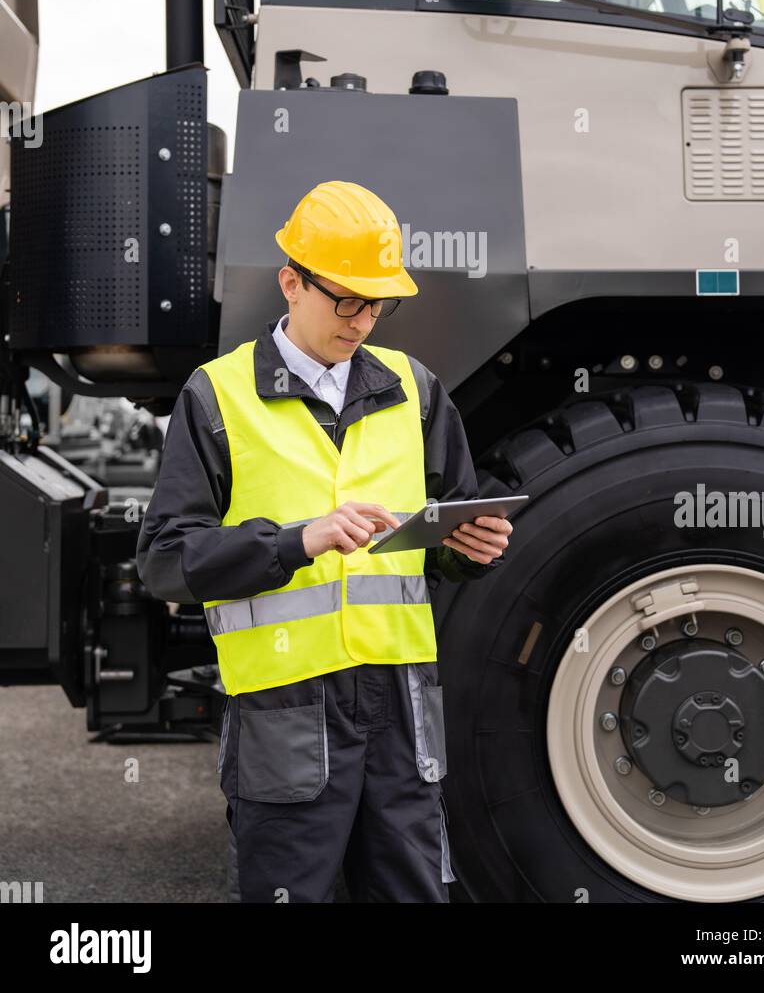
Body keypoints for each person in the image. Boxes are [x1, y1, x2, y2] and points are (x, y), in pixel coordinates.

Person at [136, 179, 513, 903]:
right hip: (287, 705)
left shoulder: (417, 390)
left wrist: (464, 550)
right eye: (346, 299)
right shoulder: (217, 397)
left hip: (401, 705)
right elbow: (165, 562)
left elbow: (437, 539)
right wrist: (295, 542)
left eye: (377, 302)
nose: (364, 319)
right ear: (290, 283)